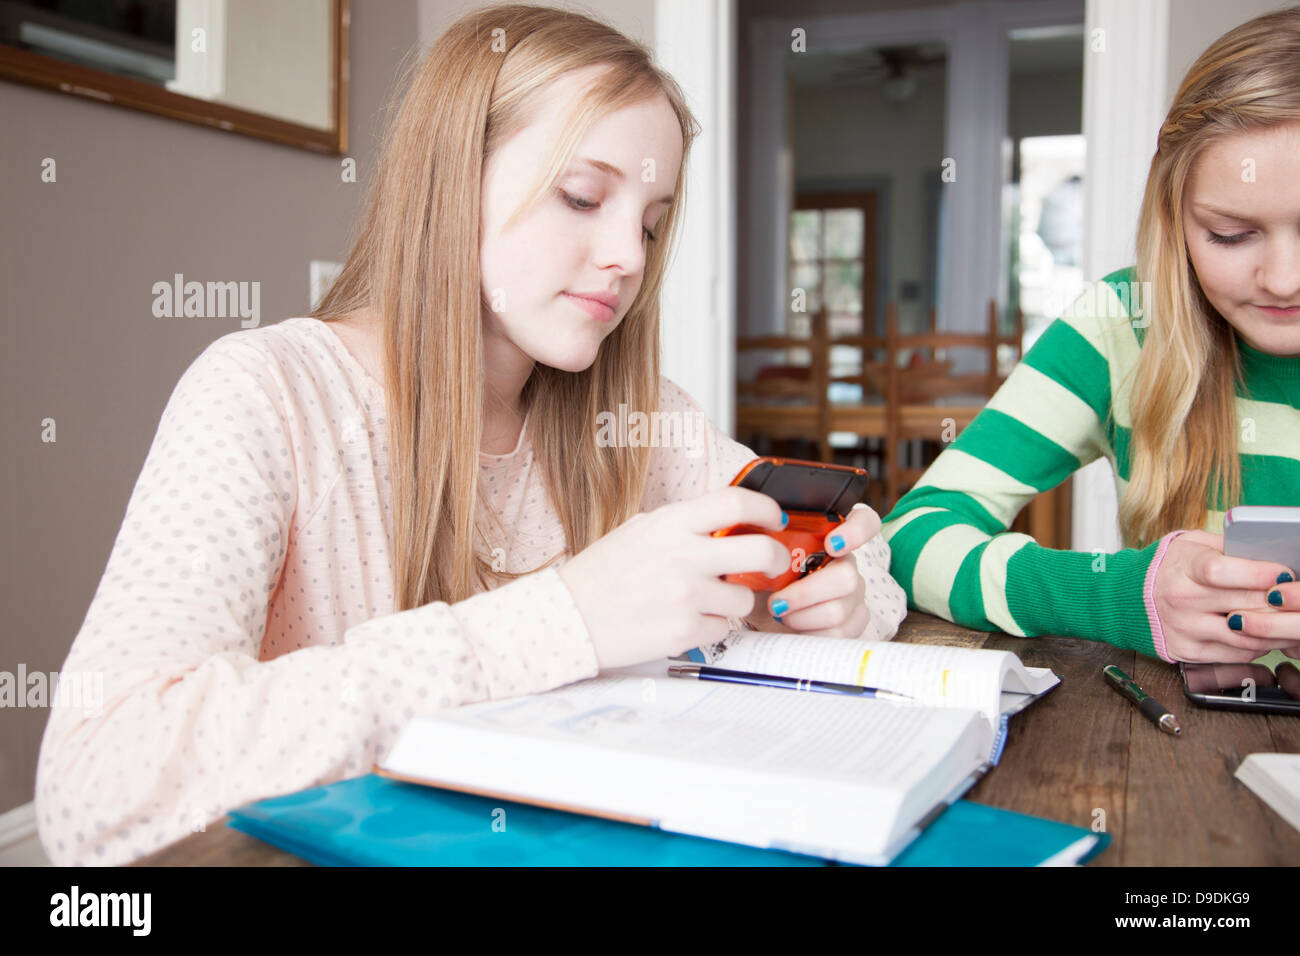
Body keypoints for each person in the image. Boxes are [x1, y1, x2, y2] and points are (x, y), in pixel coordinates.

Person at [34, 3, 906, 867]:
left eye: (648, 222)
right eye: (582, 196)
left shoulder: (643, 419)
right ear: (451, 179)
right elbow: (99, 787)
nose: (631, 258)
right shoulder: (266, 394)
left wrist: (840, 597)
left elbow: (860, 560)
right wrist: (567, 619)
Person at [882, 7, 1300, 666]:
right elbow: (909, 536)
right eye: (1229, 234)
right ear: (1172, 211)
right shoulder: (1122, 324)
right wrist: (1116, 594)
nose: (1282, 279)